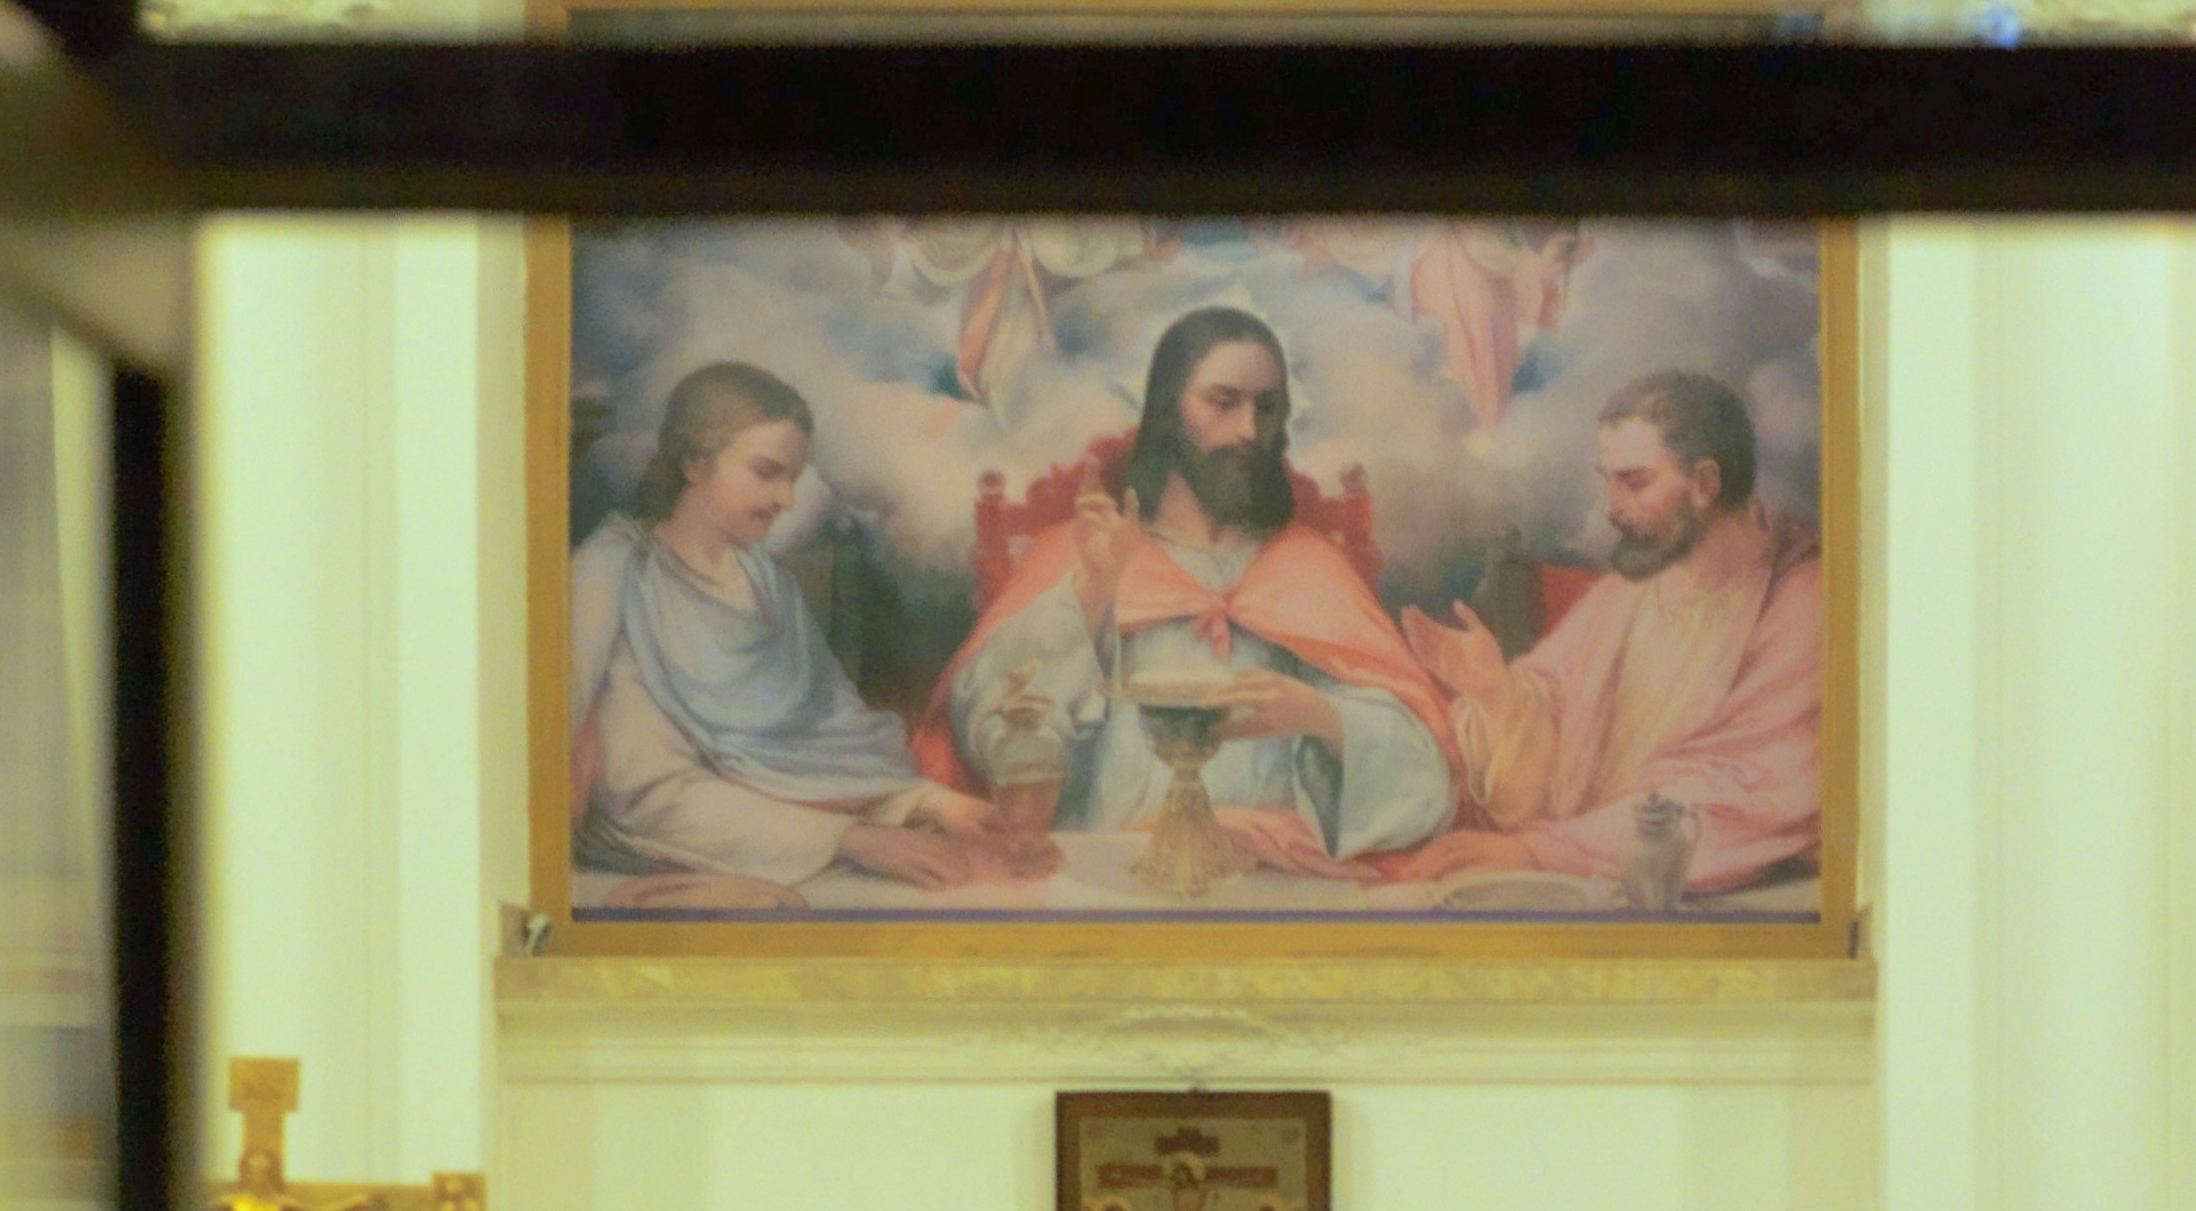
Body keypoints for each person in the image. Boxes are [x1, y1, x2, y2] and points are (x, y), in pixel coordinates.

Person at [923, 305, 1459, 880]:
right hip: (1108, 874)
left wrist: (1326, 716)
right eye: (1223, 402)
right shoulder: (1084, 554)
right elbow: (992, 731)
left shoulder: (1308, 569)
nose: (1249, 431)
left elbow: (1426, 781)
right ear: (1168, 410)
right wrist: (1091, 596)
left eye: (1267, 408)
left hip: (1265, 875)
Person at [565, 364, 1019, 901]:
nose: (785, 499)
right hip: (680, 864)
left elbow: (831, 733)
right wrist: (848, 838)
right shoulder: (617, 577)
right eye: (766, 472)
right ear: (694, 463)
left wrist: (926, 802)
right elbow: (647, 797)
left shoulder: (768, 584)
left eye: (792, 479)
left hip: (812, 854)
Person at [1403, 366, 1829, 902]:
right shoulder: (1626, 593)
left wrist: (1540, 851)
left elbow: (1743, 792)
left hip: (1726, 900)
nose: (1612, 509)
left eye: (1635, 481)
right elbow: (1549, 706)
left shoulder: (1803, 601)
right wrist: (1495, 693)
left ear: (1704, 484)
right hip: (1590, 885)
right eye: (1609, 482)